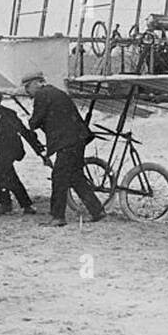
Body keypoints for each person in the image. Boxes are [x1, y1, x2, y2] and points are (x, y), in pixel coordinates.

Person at [23, 70, 104, 227]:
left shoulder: (42, 94)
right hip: (78, 139)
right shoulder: (55, 92)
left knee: (59, 178)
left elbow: (36, 119)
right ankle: (97, 211)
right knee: (75, 177)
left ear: (36, 83)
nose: (27, 91)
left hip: (67, 142)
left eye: (28, 87)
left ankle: (58, 217)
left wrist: (31, 122)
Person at [0, 91, 45, 216]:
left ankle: (7, 204)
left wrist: (40, 152)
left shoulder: (9, 114)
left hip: (10, 150)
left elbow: (25, 133)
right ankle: (25, 205)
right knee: (10, 176)